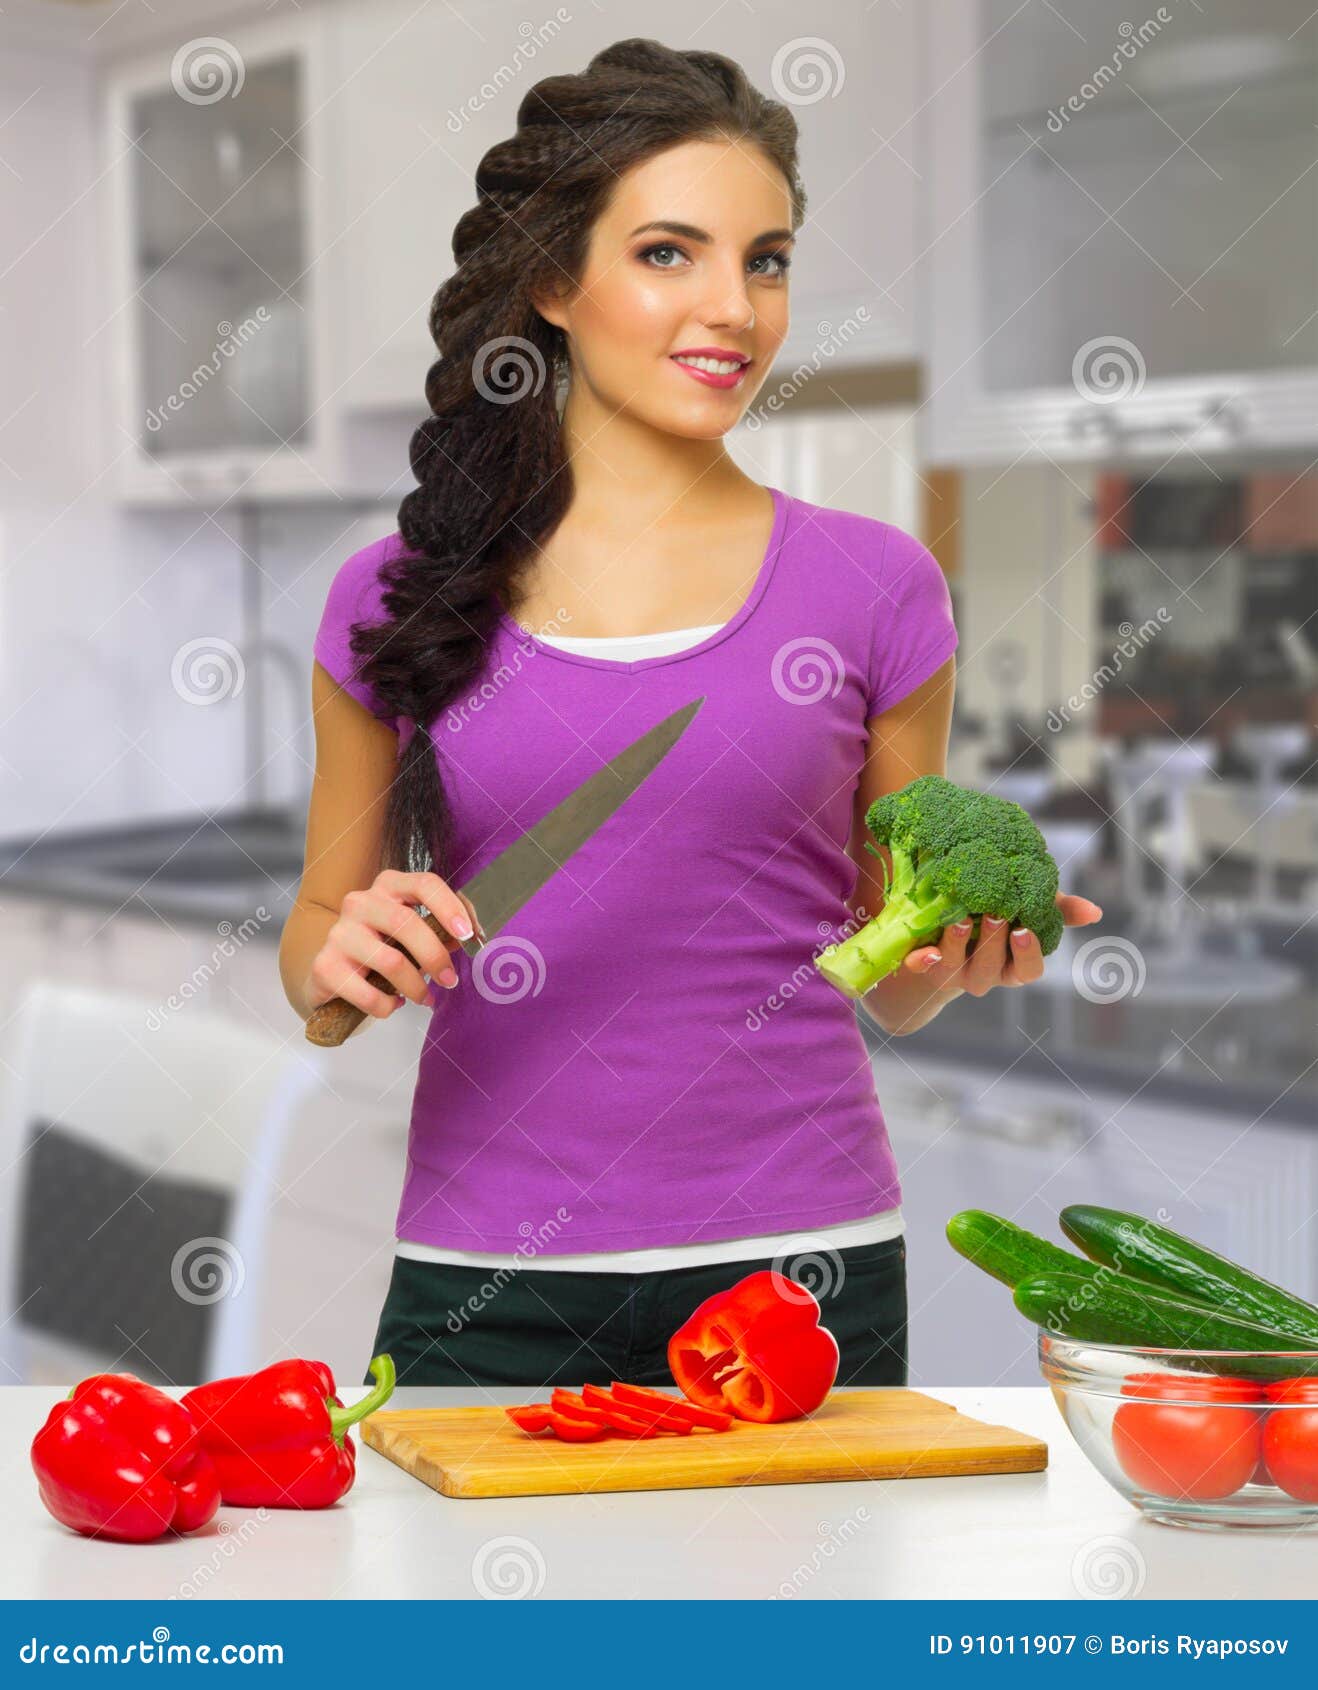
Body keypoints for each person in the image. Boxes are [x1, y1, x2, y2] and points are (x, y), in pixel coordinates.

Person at [278, 38, 1102, 1390]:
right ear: (555, 282)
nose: (733, 306)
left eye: (763, 258)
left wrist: (954, 952)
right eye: (670, 253)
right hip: (486, 1267)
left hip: (802, 1269)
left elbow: (881, 970)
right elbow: (319, 922)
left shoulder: (877, 586)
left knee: (786, 1616)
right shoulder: (399, 594)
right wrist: (339, 952)